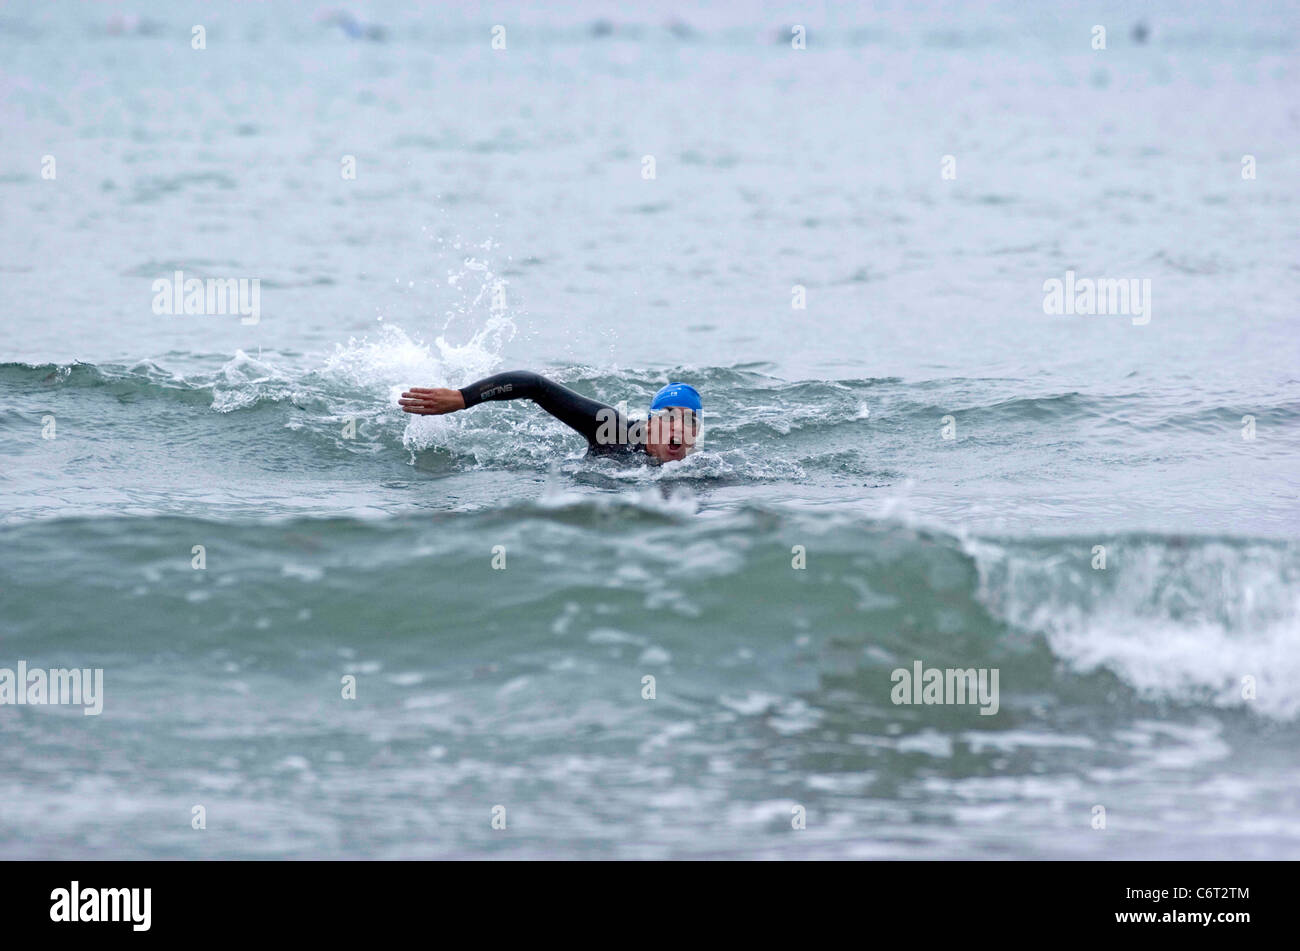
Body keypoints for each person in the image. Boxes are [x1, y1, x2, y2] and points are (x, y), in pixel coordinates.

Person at [399, 371, 702, 463]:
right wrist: (462, 398)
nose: (679, 427)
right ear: (649, 426)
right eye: (669, 417)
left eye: (690, 421)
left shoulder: (699, 470)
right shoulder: (612, 430)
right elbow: (536, 386)